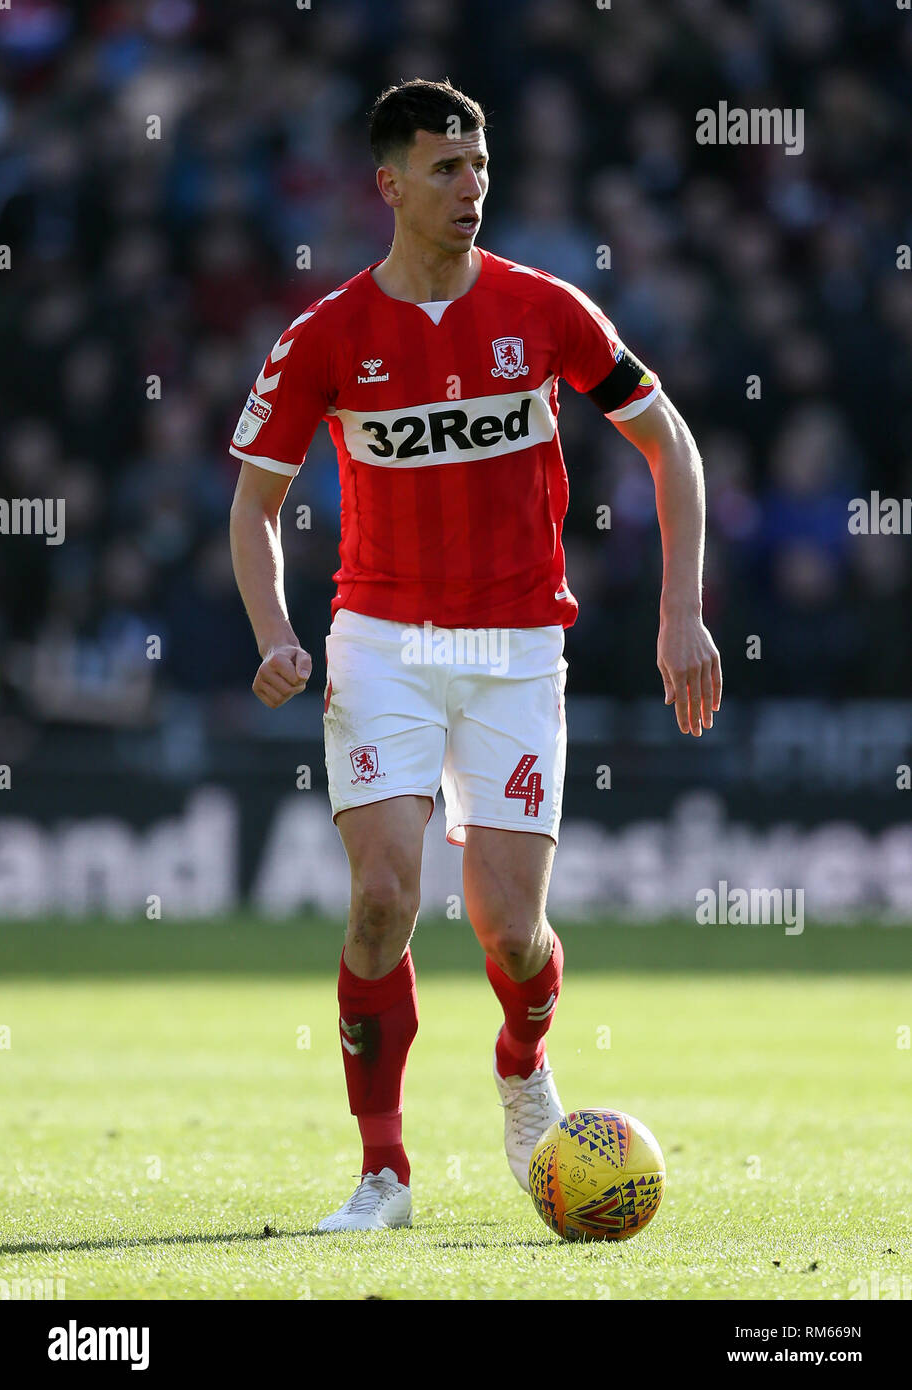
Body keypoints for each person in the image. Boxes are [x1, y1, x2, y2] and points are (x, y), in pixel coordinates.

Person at [229, 78, 722, 1232]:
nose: (470, 188)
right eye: (445, 169)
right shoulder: (327, 335)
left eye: (480, 166)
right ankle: (384, 1170)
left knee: (510, 930)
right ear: (388, 184)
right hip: (381, 645)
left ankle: (520, 1064)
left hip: (516, 651)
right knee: (382, 902)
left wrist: (679, 611)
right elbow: (254, 505)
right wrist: (276, 633)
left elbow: (669, 444)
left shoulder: (546, 311)